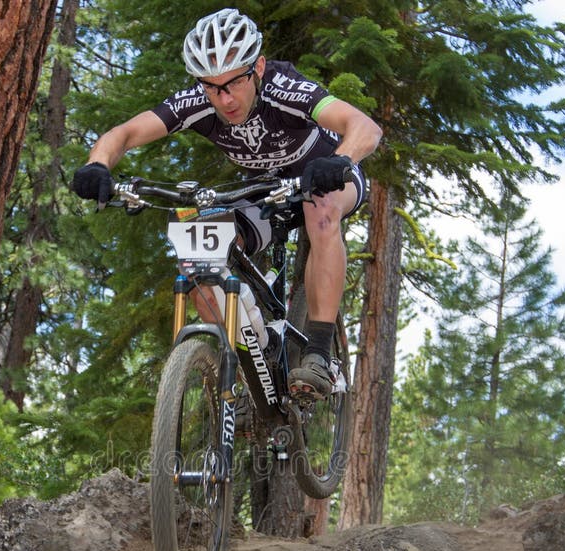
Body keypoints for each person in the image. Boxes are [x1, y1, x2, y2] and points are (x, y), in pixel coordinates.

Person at [72, 8, 382, 399]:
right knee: (199, 255)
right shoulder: (199, 102)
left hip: (327, 178)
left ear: (259, 68)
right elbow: (125, 133)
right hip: (265, 191)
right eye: (211, 86)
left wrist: (340, 160)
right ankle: (255, 356)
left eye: (234, 83)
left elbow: (365, 127)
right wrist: (97, 165)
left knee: (320, 211)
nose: (224, 98)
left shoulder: (284, 87)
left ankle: (319, 352)